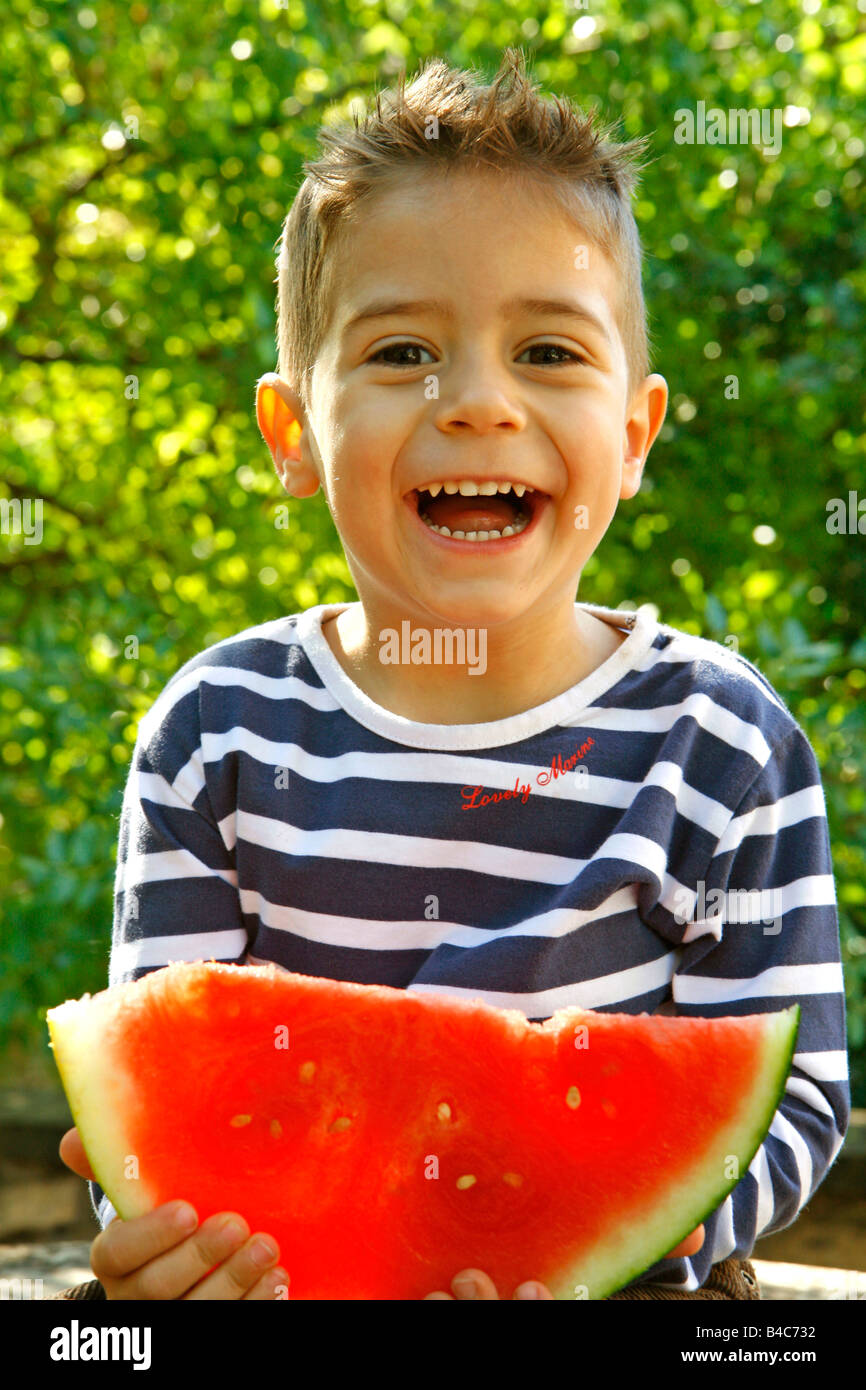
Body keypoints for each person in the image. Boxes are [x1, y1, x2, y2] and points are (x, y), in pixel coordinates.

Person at [54, 48, 848, 1301]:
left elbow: (793, 1085)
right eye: (399, 353)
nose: (475, 400)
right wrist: (160, 1237)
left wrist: (638, 1247)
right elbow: (154, 1105)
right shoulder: (217, 732)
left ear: (633, 436)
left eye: (546, 352)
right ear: (293, 434)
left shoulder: (720, 741)